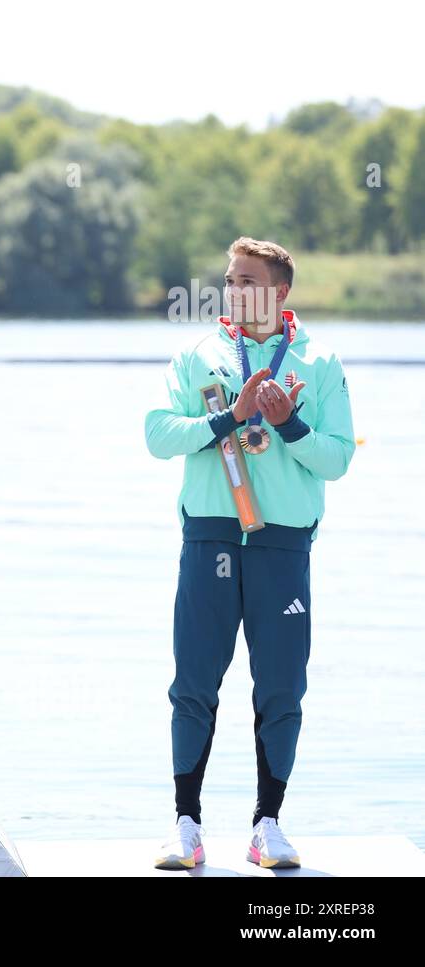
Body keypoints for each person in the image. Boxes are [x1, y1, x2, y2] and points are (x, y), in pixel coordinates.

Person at [145, 237, 355, 869]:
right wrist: (226, 419)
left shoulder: (317, 361)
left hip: (282, 543)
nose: (233, 291)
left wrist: (290, 424)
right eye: (229, 280)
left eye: (247, 281)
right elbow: (157, 434)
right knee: (194, 683)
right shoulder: (197, 353)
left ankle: (268, 825)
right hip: (210, 532)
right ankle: (186, 826)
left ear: (280, 291)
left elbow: (339, 457)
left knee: (282, 687)